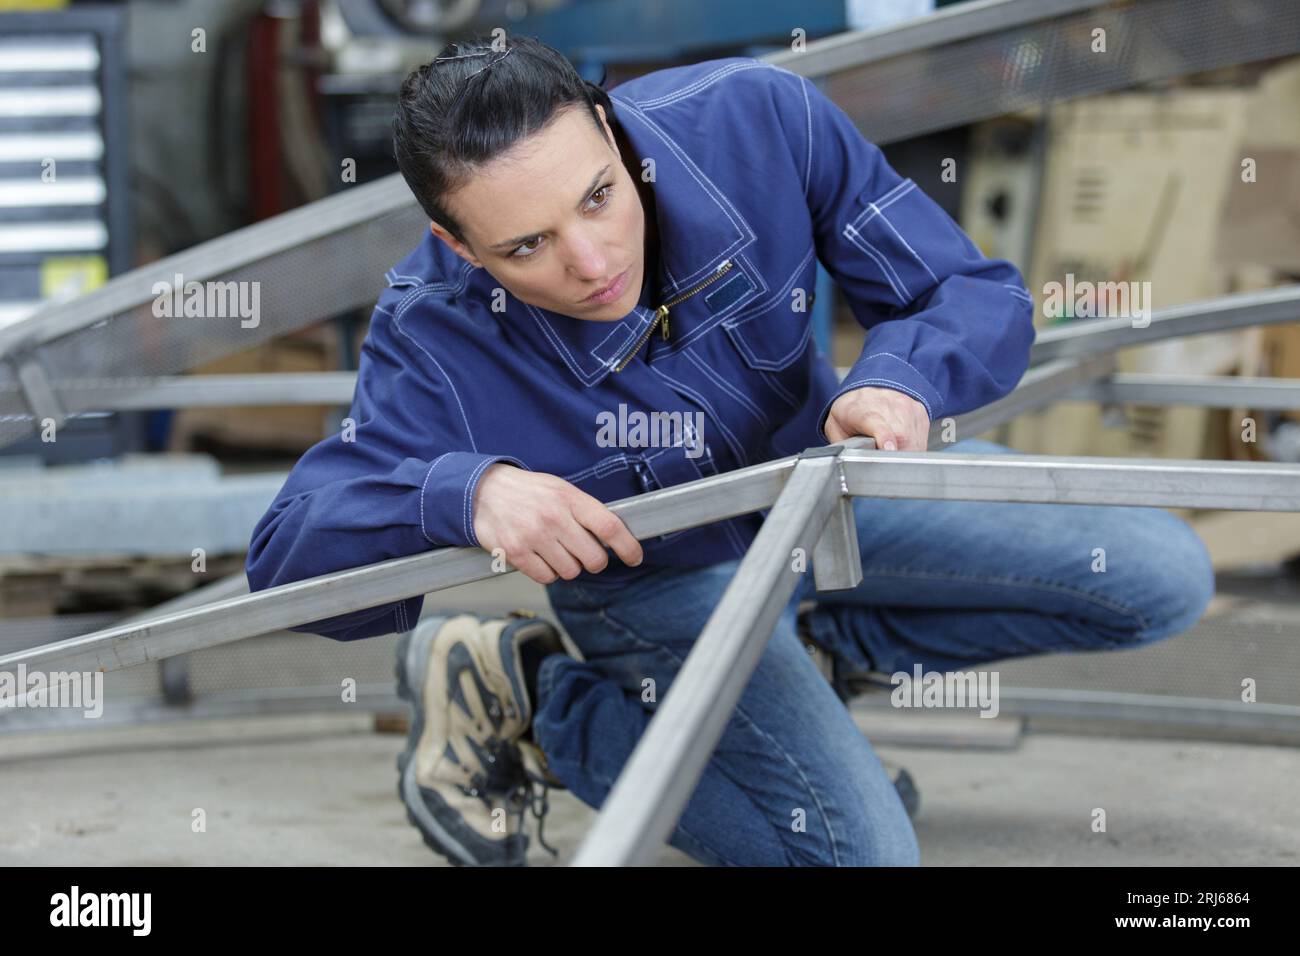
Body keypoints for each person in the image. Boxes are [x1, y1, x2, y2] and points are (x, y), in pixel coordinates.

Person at [244, 34, 1216, 867]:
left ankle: (812, 658)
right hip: (658, 586)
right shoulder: (431, 335)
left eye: (596, 197)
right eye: (525, 246)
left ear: (611, 128)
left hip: (824, 503)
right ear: (458, 249)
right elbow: (287, 554)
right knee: (853, 853)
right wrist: (465, 492)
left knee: (1156, 573)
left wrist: (898, 378)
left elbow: (967, 291)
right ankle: (537, 694)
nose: (592, 262)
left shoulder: (757, 121)